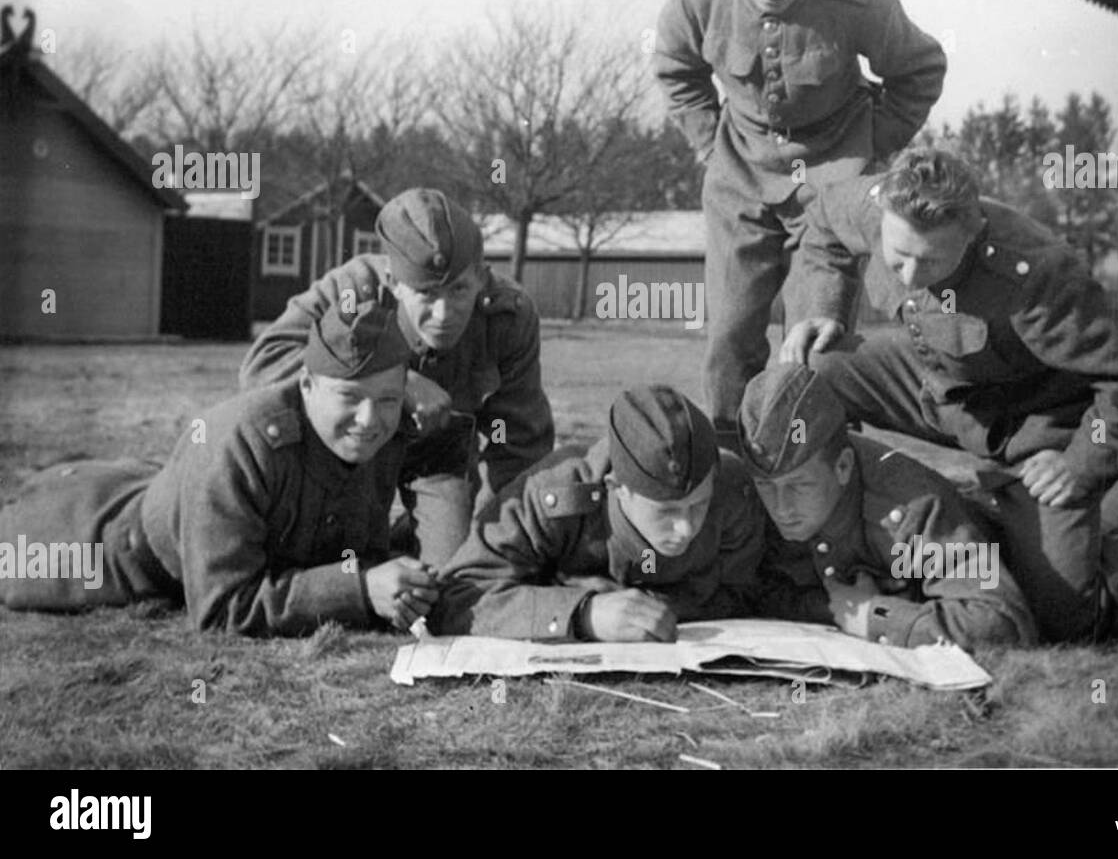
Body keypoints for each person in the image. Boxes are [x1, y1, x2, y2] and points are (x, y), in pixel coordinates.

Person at [781, 146, 1118, 641]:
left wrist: (1081, 465)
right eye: (898, 256)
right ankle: (853, 544)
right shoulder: (874, 203)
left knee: (1068, 621)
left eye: (929, 260)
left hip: (1037, 426)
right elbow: (821, 224)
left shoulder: (1036, 279)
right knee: (814, 369)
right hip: (941, 390)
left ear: (973, 230)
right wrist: (823, 304)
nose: (908, 275)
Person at [652, 0, 947, 445]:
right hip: (738, 179)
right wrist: (709, 145)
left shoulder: (857, 4)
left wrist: (868, 149)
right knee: (730, 337)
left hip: (832, 185)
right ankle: (736, 458)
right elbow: (675, 68)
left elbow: (921, 68)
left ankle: (819, 464)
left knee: (818, 337)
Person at [0, 301, 439, 636]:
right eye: (348, 397)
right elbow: (222, 606)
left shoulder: (390, 428)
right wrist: (359, 590)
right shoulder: (239, 439)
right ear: (307, 385)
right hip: (109, 552)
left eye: (386, 399)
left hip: (169, 492)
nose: (369, 420)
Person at [240, 187, 554, 569]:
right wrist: (397, 382)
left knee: (456, 571)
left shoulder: (508, 318)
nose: (444, 313)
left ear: (481, 276)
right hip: (349, 452)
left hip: (436, 459)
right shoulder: (352, 291)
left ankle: (408, 536)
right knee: (332, 565)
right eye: (426, 293)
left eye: (459, 290)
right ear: (392, 280)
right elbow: (263, 366)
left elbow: (519, 443)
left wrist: (495, 536)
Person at [738, 363, 1036, 649]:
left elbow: (1001, 622)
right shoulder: (753, 495)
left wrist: (872, 616)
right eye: (767, 486)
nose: (781, 507)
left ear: (843, 467)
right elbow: (757, 591)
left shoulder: (911, 507)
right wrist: (833, 610)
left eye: (799, 486)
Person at [435, 385, 766, 642]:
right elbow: (460, 594)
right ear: (617, 487)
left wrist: (659, 607)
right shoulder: (553, 494)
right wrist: (583, 613)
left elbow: (747, 590)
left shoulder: (731, 489)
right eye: (666, 511)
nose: (685, 527)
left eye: (699, 505)